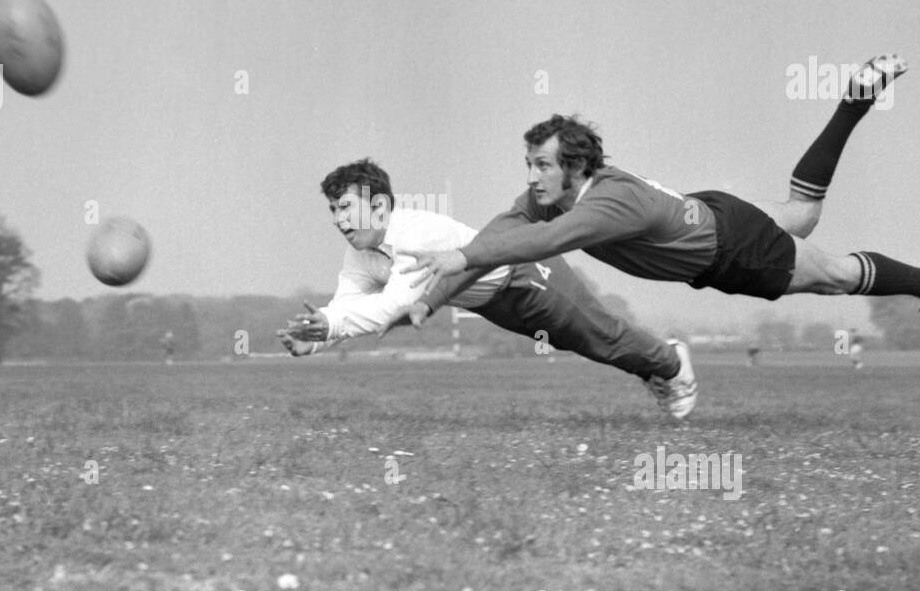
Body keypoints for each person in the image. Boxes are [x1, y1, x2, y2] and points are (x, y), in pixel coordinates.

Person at [406, 56, 920, 339]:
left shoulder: (604, 206)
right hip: (717, 215)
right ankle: (853, 106)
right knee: (800, 214)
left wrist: (459, 258)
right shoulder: (555, 197)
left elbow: (539, 243)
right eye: (529, 164)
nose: (531, 176)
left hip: (730, 250)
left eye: (542, 165)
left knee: (837, 275)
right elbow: (494, 240)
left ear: (575, 167)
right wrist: (428, 303)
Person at [277, 158, 698, 417]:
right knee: (586, 344)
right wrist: (313, 340)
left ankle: (672, 363)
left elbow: (391, 308)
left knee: (600, 336)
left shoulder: (414, 234)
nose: (338, 219)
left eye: (346, 207)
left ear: (380, 206)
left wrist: (328, 325)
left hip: (527, 276)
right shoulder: (362, 254)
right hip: (495, 303)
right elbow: (345, 307)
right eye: (333, 209)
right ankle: (656, 368)